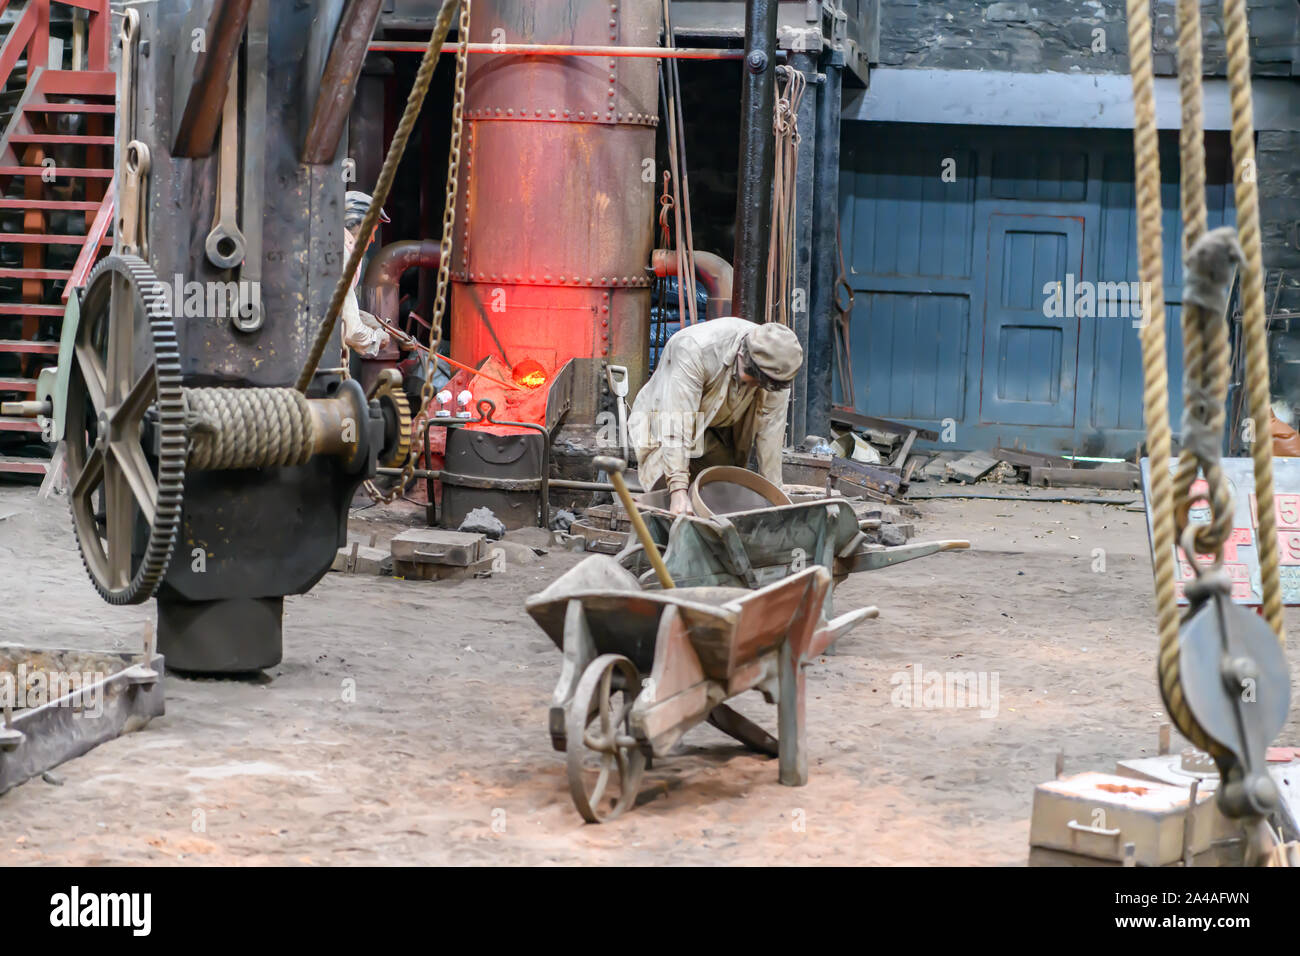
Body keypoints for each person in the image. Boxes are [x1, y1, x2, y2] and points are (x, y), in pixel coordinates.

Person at [629, 317, 803, 515]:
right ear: (740, 356)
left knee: (720, 494)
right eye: (753, 381)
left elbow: (771, 433)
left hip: (719, 426)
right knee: (668, 501)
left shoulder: (778, 367)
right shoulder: (695, 349)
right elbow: (675, 425)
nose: (755, 387)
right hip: (663, 422)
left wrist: (776, 500)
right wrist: (678, 490)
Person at [341, 190, 391, 360]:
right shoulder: (341, 256)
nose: (373, 239)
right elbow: (352, 331)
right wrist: (377, 338)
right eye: (373, 230)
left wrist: (359, 315)